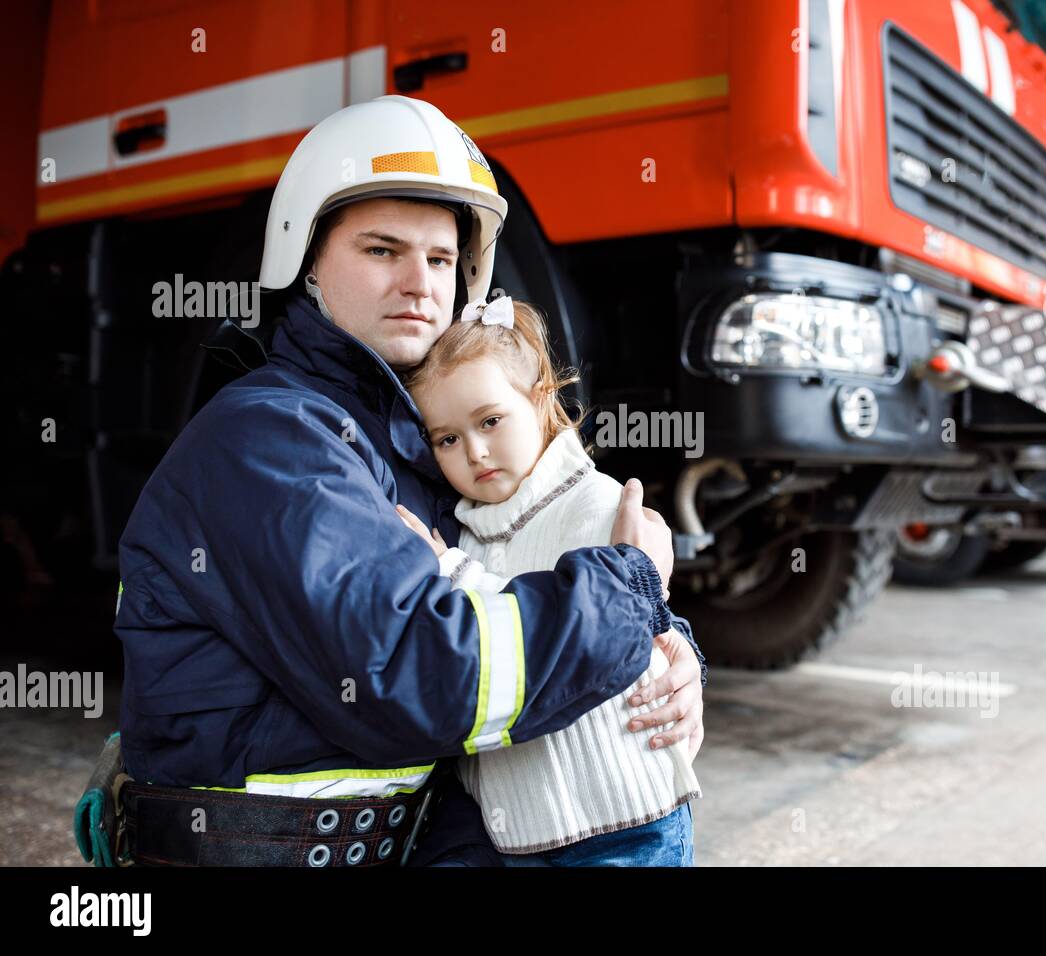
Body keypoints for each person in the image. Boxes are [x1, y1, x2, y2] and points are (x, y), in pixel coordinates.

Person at [105, 95, 705, 867]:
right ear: (306, 260)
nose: (419, 283)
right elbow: (422, 669)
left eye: (442, 259)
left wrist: (664, 649)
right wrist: (625, 595)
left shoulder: (419, 444)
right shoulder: (271, 438)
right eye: (382, 251)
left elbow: (522, 562)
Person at [394, 295, 702, 866]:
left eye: (490, 421)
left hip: (624, 823)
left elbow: (581, 622)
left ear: (539, 402)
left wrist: (452, 574)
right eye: (447, 439)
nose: (476, 452)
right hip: (519, 833)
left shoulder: (599, 504)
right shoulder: (466, 531)